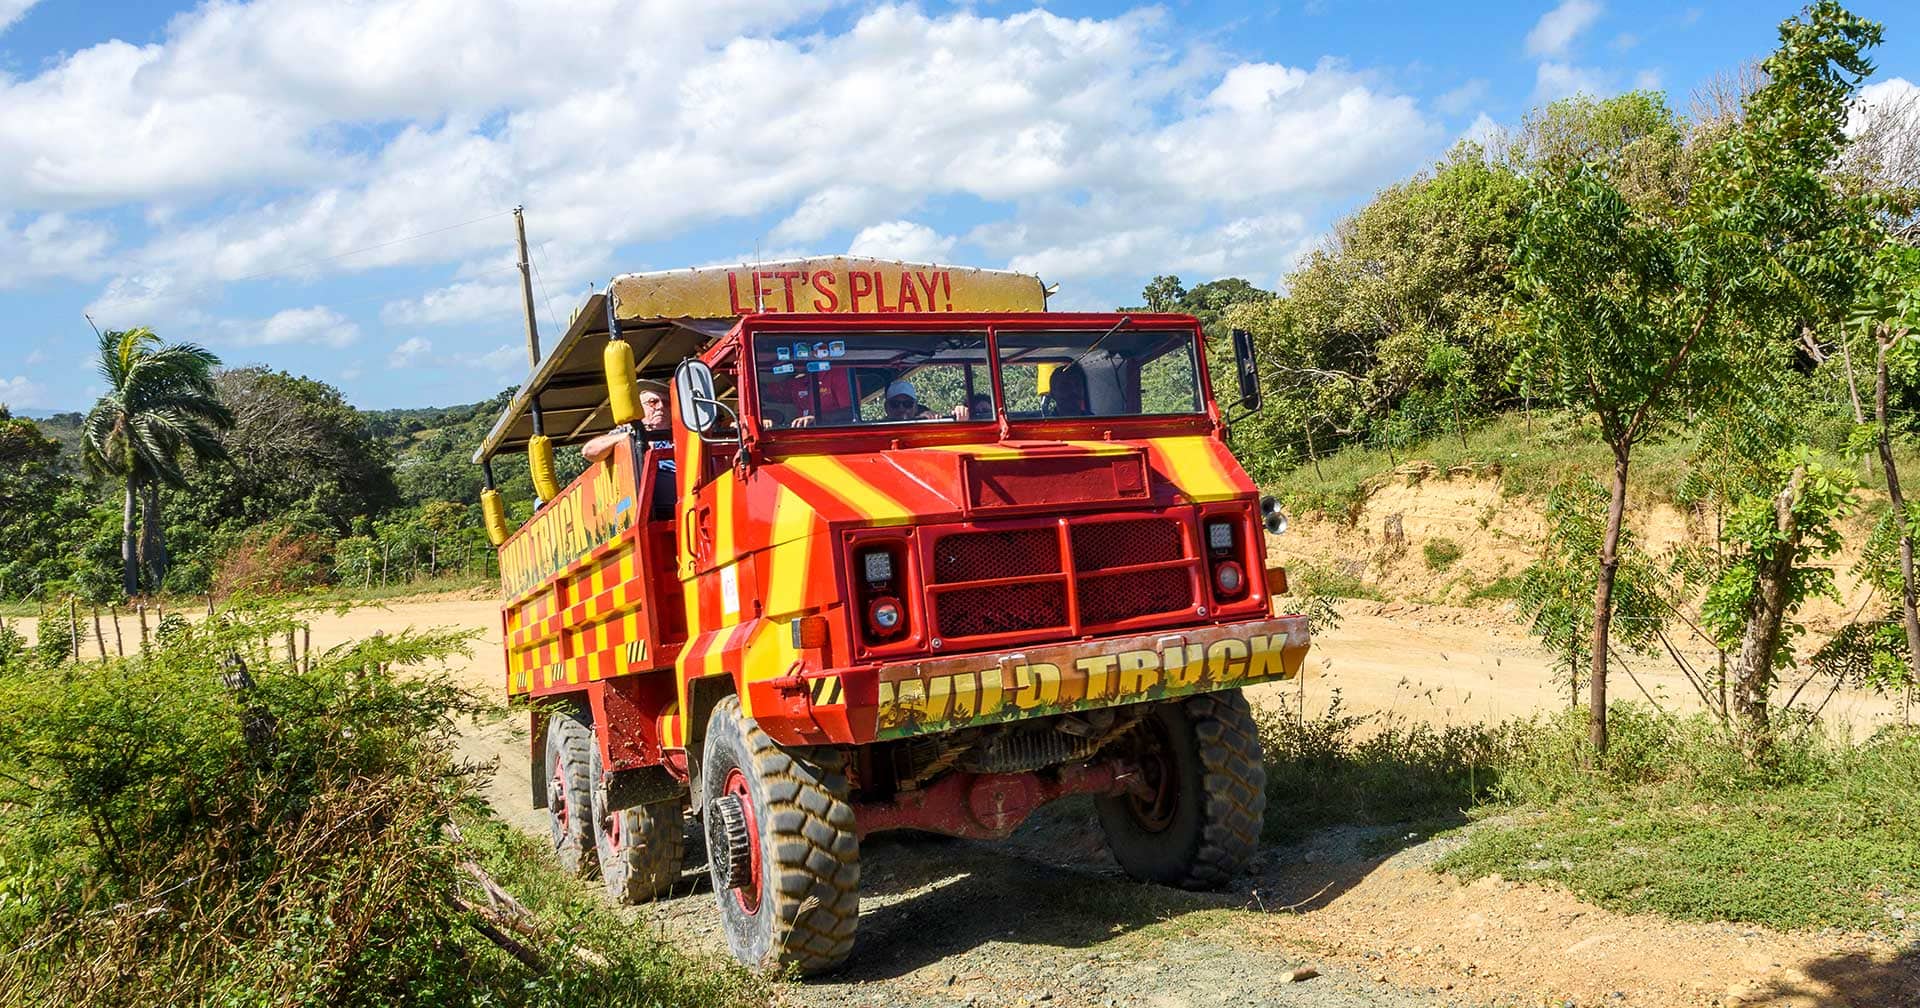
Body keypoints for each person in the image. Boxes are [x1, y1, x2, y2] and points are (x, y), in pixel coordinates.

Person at [881, 379, 968, 422]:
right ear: (886, 407)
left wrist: (961, 413)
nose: (901, 409)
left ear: (915, 406)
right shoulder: (877, 430)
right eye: (895, 404)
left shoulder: (927, 423)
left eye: (907, 404)